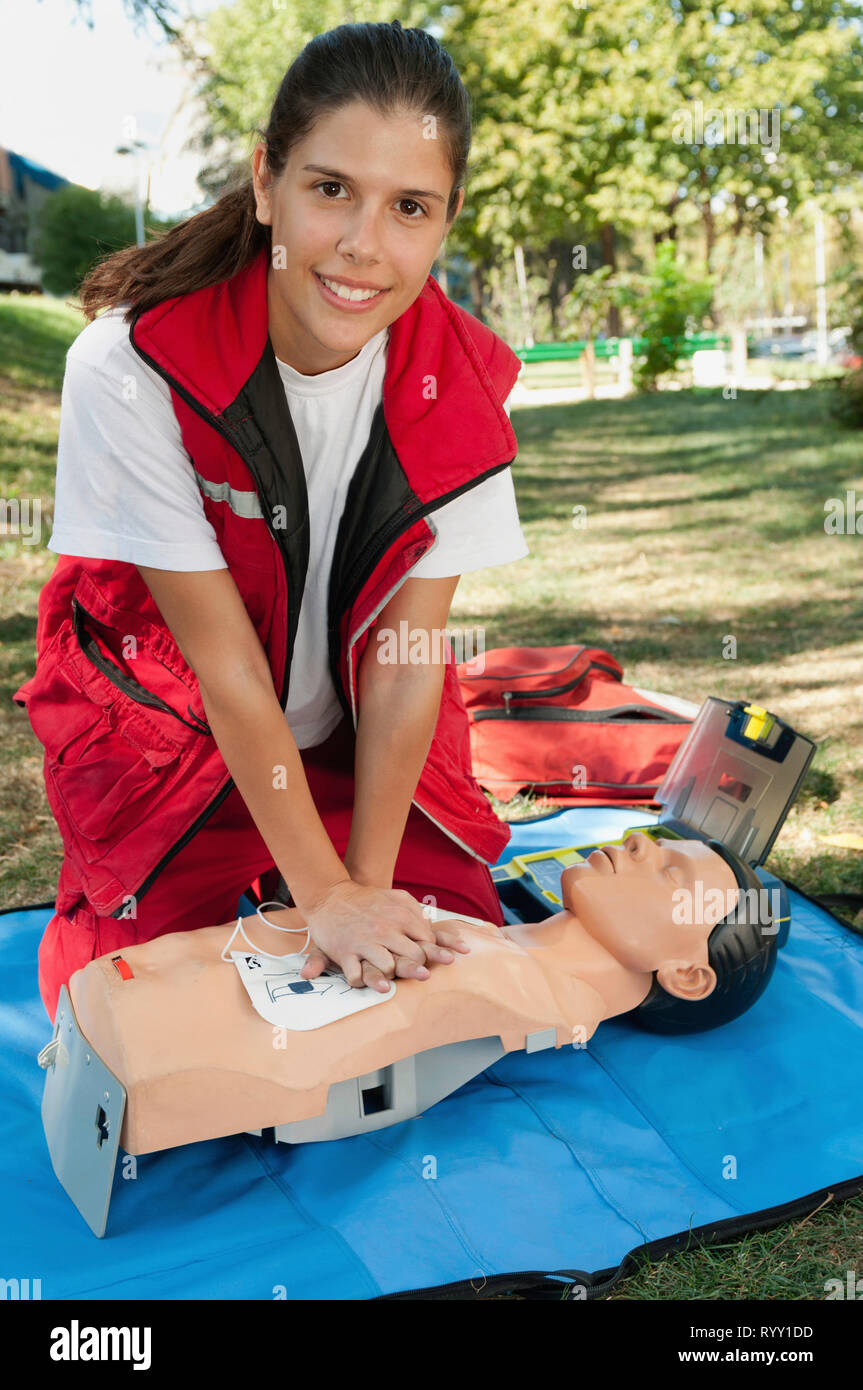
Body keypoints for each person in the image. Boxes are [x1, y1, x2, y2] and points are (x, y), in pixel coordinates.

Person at [14, 21, 530, 1023]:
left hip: (350, 742)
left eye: (408, 207)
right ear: (265, 183)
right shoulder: (130, 365)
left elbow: (405, 656)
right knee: (142, 1013)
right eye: (330, 188)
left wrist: (362, 888)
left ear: (446, 219)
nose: (361, 245)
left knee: (442, 967)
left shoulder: (462, 385)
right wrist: (322, 893)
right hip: (179, 743)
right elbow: (226, 668)